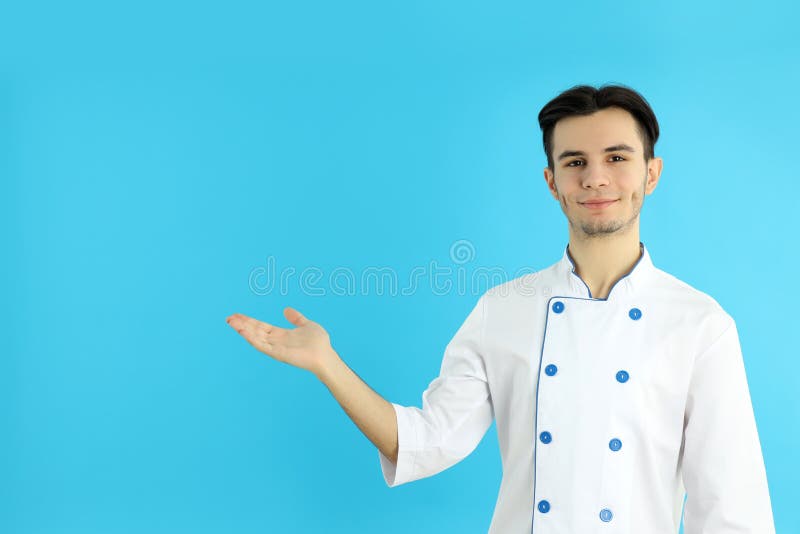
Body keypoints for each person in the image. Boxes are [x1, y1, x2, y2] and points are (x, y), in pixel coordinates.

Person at [225, 83, 775, 533]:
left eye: (616, 157)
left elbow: (731, 510)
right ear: (552, 183)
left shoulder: (701, 326)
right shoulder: (503, 309)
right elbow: (426, 440)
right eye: (575, 161)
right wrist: (328, 364)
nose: (596, 177)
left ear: (651, 174)